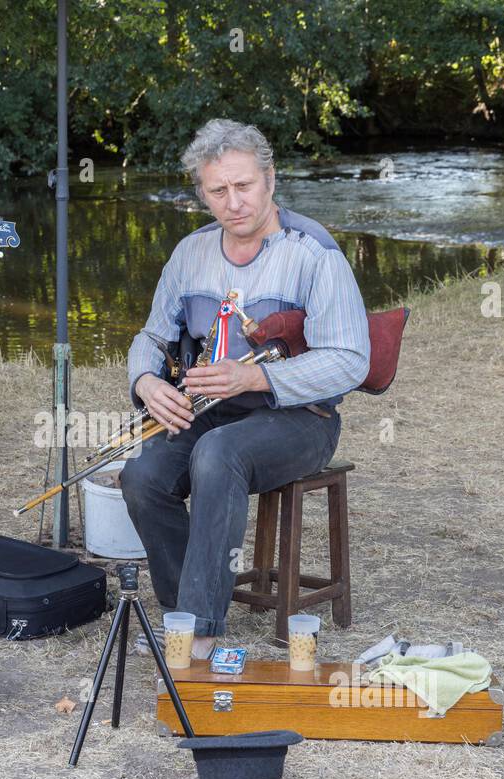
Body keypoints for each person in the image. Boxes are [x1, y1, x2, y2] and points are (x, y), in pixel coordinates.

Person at [121, 118, 371, 656]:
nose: (233, 202)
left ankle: (200, 632)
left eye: (244, 185)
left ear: (270, 181)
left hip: (302, 418)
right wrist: (145, 381)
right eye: (218, 190)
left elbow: (351, 360)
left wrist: (255, 375)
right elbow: (150, 335)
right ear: (202, 194)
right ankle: (180, 611)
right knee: (143, 473)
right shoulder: (190, 252)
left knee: (217, 454)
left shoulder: (314, 254)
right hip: (210, 409)